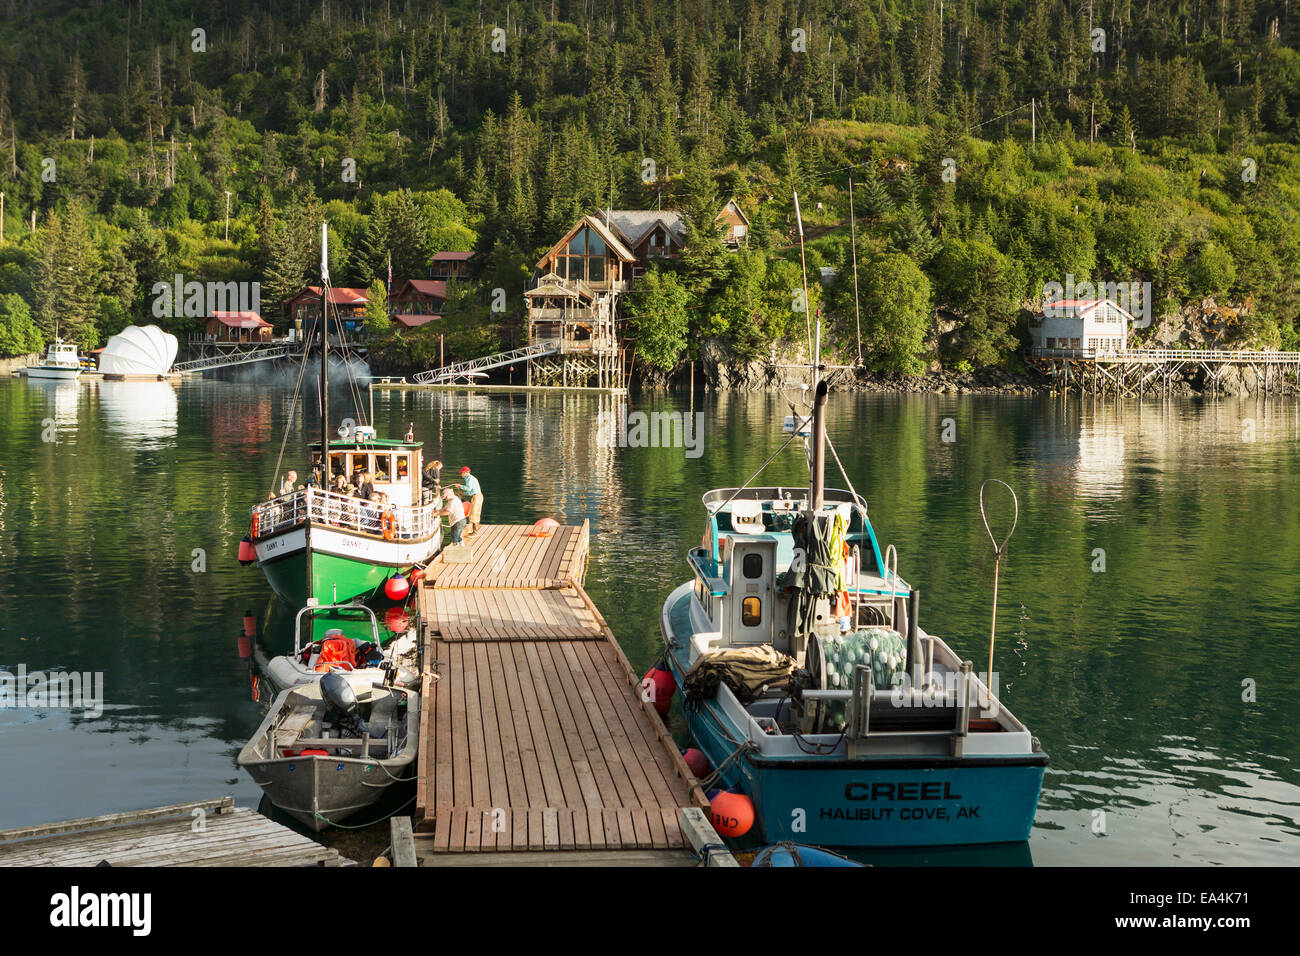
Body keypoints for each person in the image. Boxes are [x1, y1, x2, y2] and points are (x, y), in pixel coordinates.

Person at [454, 466, 484, 536]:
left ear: (465, 472)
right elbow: (471, 492)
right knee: (476, 513)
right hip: (479, 496)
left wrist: (460, 486)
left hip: (476, 497)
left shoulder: (469, 478)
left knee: (473, 513)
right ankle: (475, 531)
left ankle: (475, 532)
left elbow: (469, 489)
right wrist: (463, 493)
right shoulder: (472, 478)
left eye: (461, 473)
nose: (461, 474)